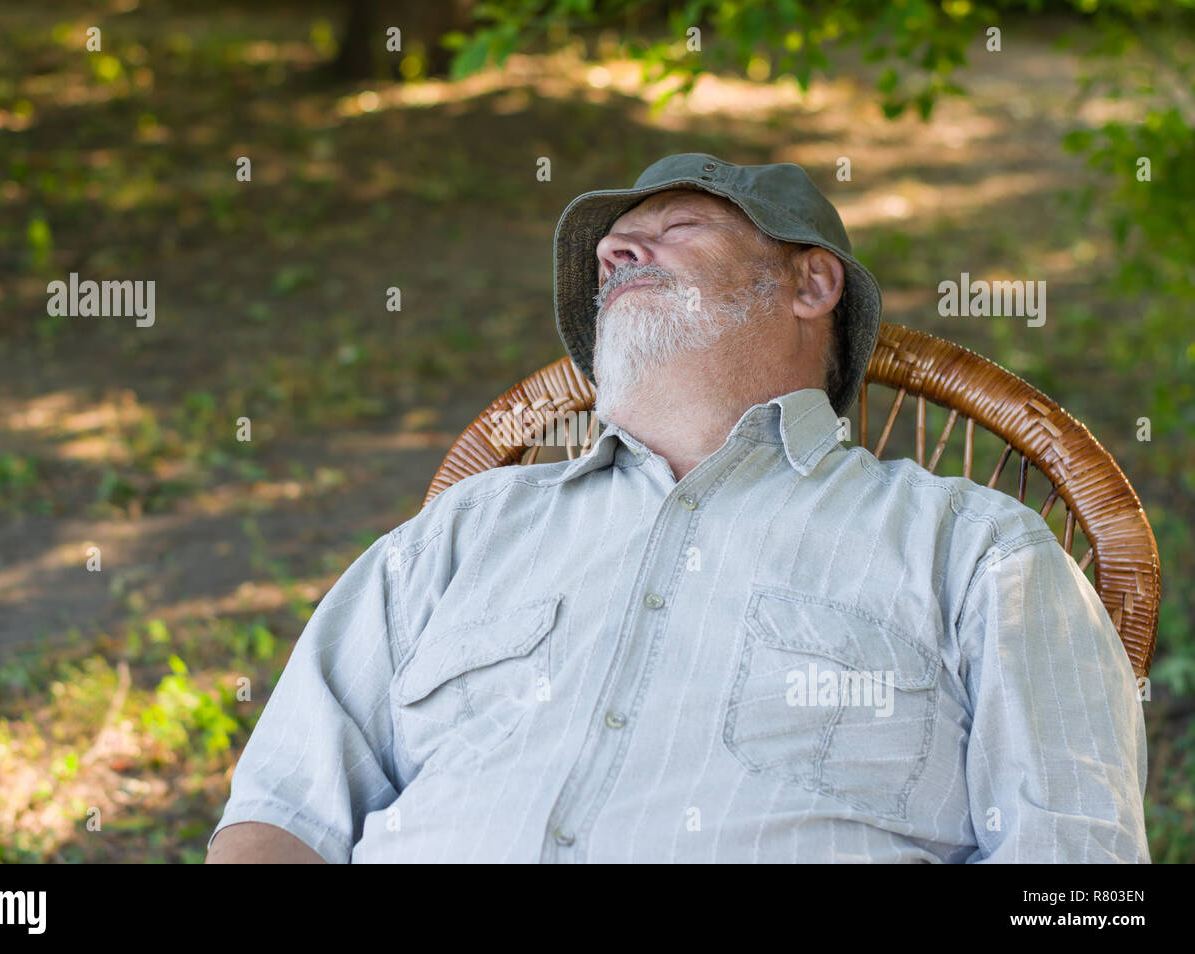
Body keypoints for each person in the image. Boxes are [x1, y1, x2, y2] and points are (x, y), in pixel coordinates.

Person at [207, 154, 1148, 863]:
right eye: (617, 250)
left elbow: (1076, 861)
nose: (618, 251)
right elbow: (280, 817)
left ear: (809, 283)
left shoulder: (976, 552)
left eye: (680, 226)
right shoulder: (465, 531)